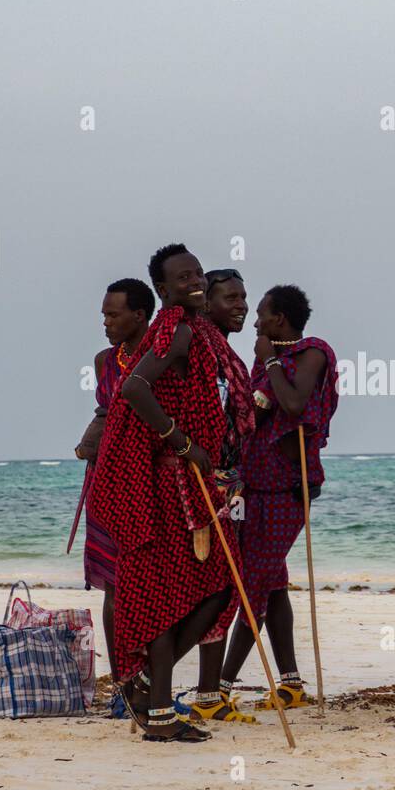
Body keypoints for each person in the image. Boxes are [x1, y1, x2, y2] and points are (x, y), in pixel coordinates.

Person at [89, 244, 254, 743]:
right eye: (183, 278)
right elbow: (134, 389)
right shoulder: (177, 332)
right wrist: (182, 442)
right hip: (169, 485)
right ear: (163, 291)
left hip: (197, 482)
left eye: (198, 273)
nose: (195, 282)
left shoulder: (199, 334)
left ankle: (148, 686)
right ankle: (158, 708)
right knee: (172, 594)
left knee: (216, 587)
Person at [219, 285, 339, 710]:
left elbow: (292, 403)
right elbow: (258, 409)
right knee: (271, 584)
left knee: (252, 585)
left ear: (280, 320)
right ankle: (289, 683)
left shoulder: (313, 353)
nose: (254, 322)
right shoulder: (267, 358)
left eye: (262, 315)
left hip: (290, 486)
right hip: (255, 484)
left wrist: (268, 357)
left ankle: (218, 688)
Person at [182, 268, 258, 724]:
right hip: (204, 484)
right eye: (231, 298)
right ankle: (171, 685)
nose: (241, 306)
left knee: (222, 587)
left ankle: (207, 692)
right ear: (206, 302)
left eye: (244, 297)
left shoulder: (225, 351)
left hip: (230, 484)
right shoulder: (202, 348)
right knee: (214, 586)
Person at [74, 277, 154, 680]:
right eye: (103, 314)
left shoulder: (164, 356)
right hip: (106, 483)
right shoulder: (105, 361)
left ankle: (153, 680)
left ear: (139, 316)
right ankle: (124, 680)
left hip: (149, 484)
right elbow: (105, 412)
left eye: (112, 314)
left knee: (151, 585)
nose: (105, 322)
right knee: (115, 585)